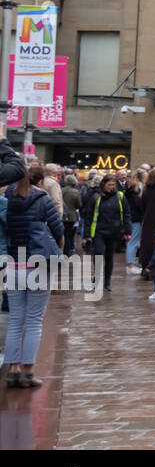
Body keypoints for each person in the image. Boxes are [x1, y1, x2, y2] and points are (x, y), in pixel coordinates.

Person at [3, 159, 61, 388]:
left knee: (16, 320)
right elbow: (58, 229)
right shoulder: (42, 199)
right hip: (38, 265)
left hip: (14, 265)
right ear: (40, 181)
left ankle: (12, 370)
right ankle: (28, 371)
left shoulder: (8, 199)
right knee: (34, 322)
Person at [82, 173, 133, 293]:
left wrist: (127, 231)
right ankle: (96, 279)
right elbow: (89, 216)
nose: (112, 187)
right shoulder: (96, 197)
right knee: (98, 253)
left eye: (113, 185)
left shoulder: (120, 197)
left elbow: (126, 214)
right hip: (99, 231)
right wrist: (87, 235)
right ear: (103, 184)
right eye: (109, 184)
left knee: (109, 257)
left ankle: (107, 282)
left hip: (114, 231)